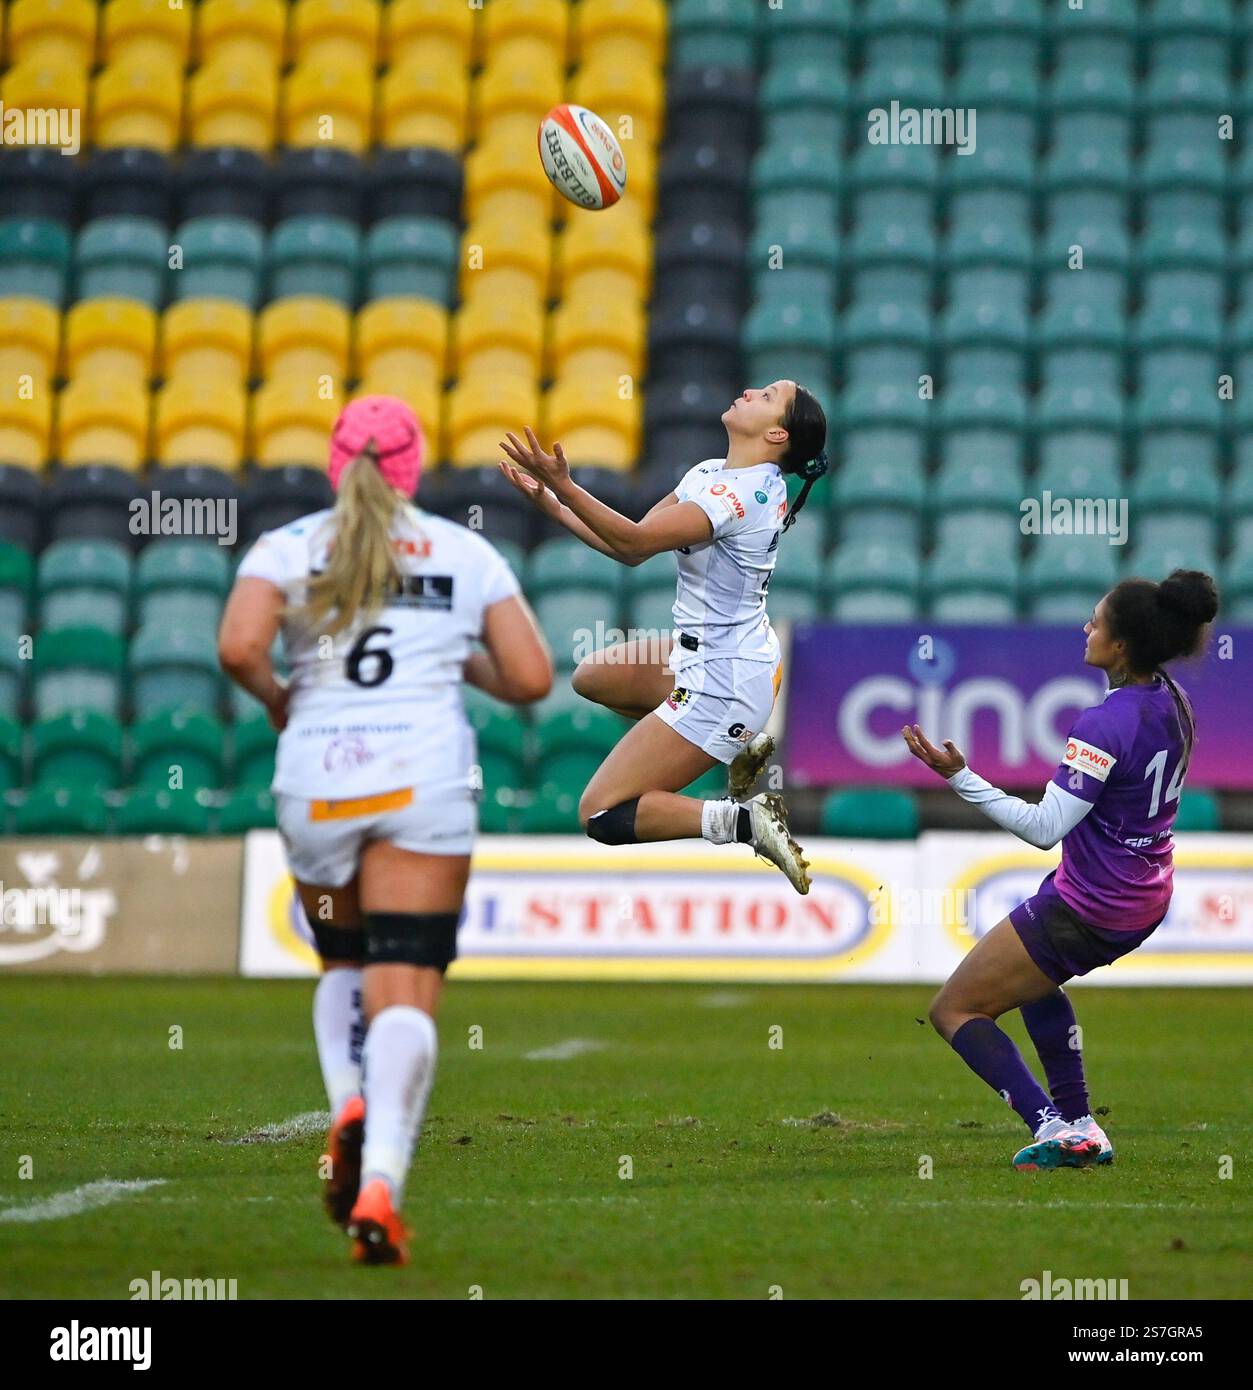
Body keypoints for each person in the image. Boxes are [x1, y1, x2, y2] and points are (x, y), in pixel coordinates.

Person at [218, 395, 551, 1263]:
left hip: (317, 781)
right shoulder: (462, 551)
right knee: (405, 982)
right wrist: (455, 657)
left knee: (342, 961)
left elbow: (238, 648)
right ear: (413, 466)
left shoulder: (286, 549)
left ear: (337, 463)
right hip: (422, 779)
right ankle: (383, 1187)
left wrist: (283, 700)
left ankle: (346, 1104)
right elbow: (530, 676)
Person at [903, 569, 1219, 1170]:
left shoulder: (1105, 723)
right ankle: (1077, 1121)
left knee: (954, 1010)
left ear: (1121, 646)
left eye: (1096, 622)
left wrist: (958, 777)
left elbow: (1045, 828)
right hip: (1144, 894)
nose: (1086, 627)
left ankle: (1054, 1123)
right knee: (1034, 981)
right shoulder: (1177, 702)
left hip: (1094, 904)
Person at [497, 380, 828, 894]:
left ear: (777, 432)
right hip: (713, 658)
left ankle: (743, 820)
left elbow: (634, 540)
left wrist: (565, 485)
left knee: (601, 813)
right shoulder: (709, 473)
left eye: (766, 396)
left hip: (727, 679)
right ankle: (736, 744)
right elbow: (629, 547)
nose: (747, 390)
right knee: (593, 676)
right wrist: (556, 505)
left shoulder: (745, 494)